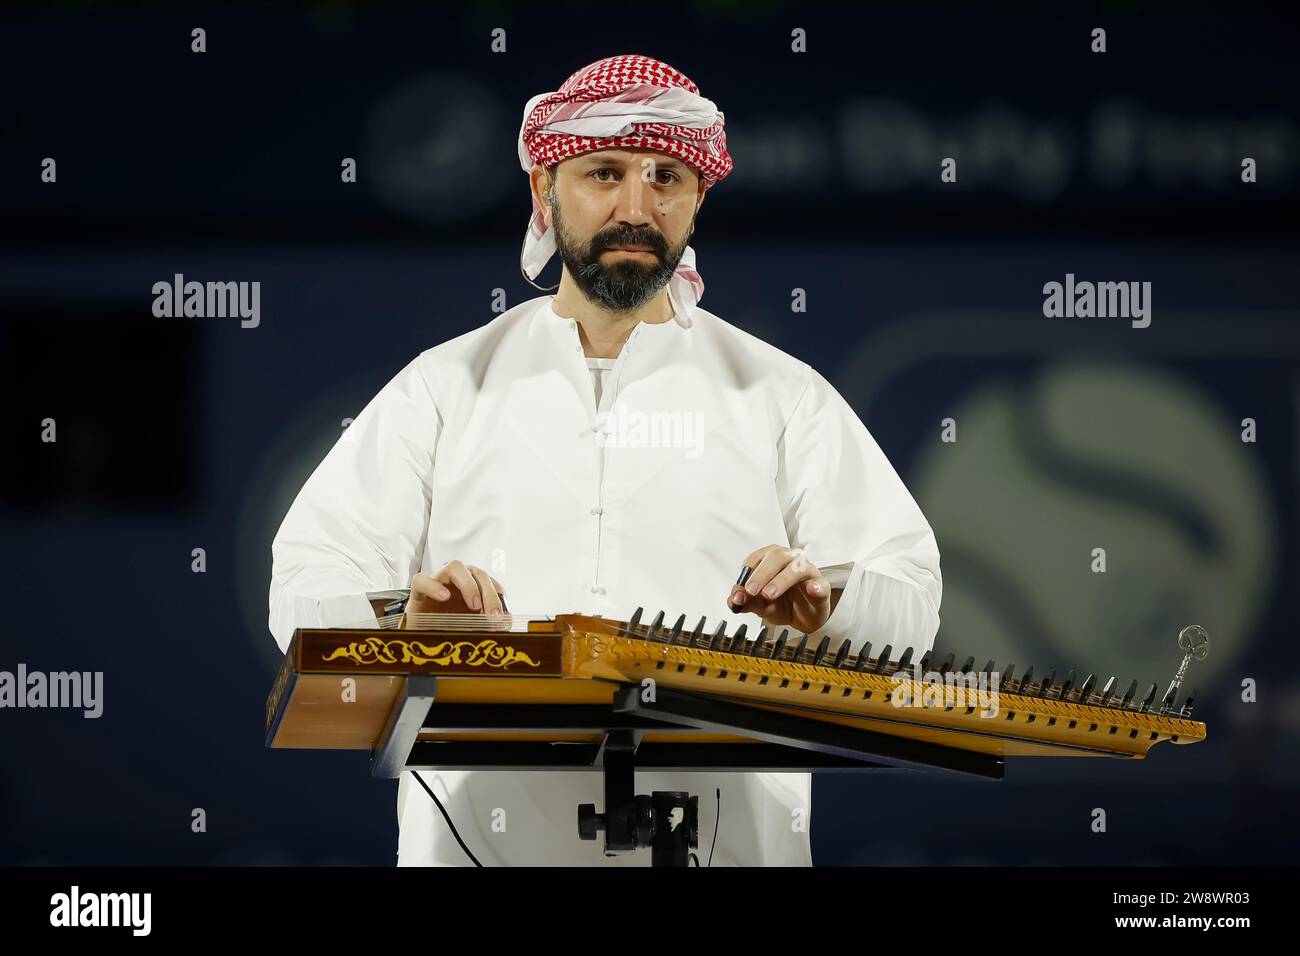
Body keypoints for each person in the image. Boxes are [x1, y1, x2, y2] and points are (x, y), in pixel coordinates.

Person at [268, 53, 941, 866]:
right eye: (604, 173)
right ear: (543, 192)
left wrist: (827, 602)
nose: (636, 206)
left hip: (727, 841)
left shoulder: (779, 394)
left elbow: (909, 601)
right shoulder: (444, 387)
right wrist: (408, 626)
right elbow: (304, 586)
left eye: (667, 177)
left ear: (699, 199)